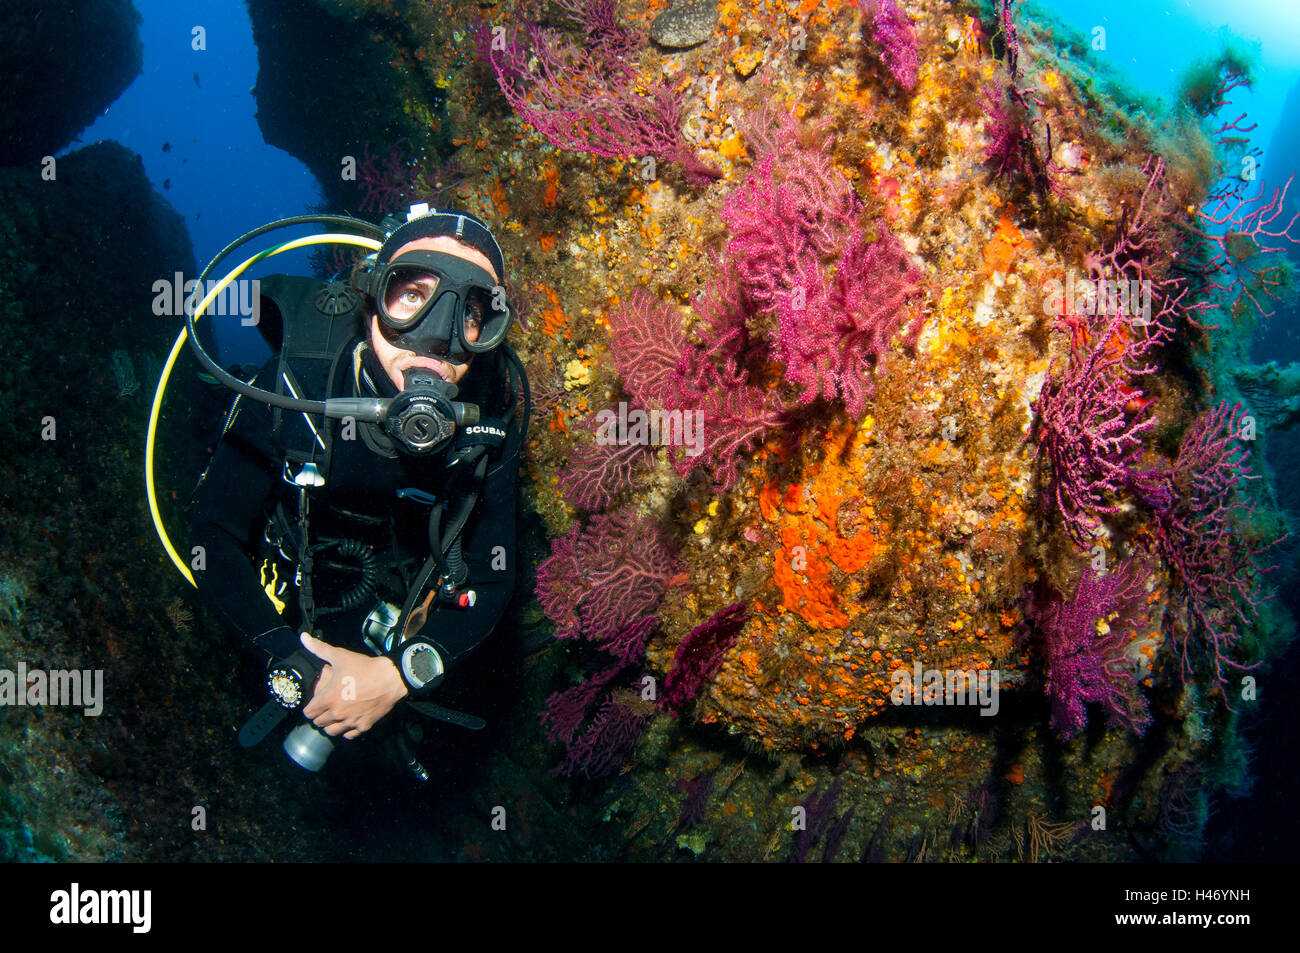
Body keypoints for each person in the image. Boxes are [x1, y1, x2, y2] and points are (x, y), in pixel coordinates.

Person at [189, 207, 523, 771]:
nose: (435, 339)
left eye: (468, 312)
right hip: (290, 570)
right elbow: (212, 534)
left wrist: (398, 676)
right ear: (371, 297)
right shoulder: (298, 379)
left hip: (395, 591)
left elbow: (493, 577)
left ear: (487, 332)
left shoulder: (491, 422)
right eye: (413, 295)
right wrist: (282, 653)